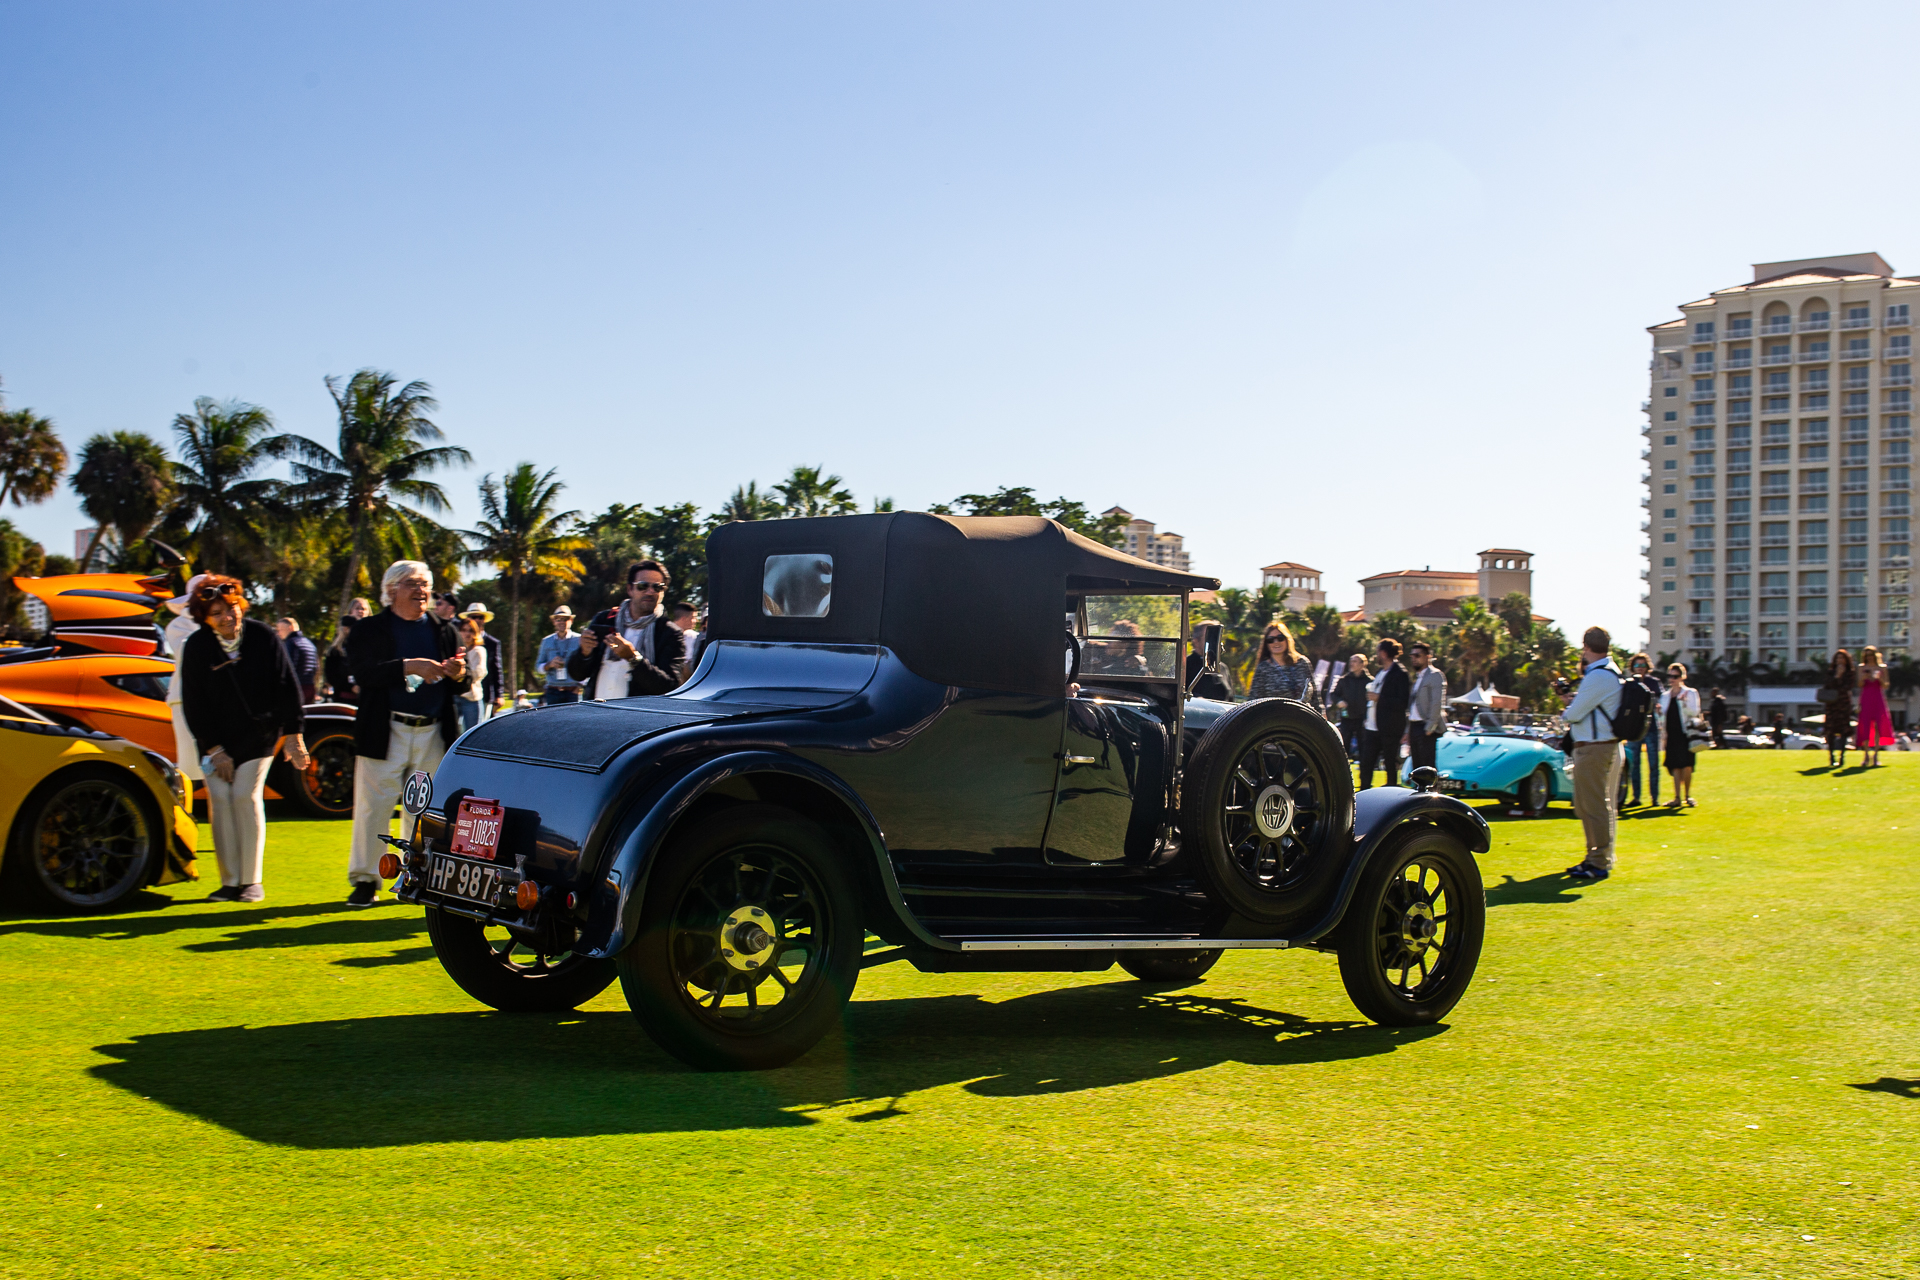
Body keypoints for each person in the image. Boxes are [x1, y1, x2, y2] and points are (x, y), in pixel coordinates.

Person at [344, 560, 470, 906]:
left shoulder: (445, 629)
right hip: (385, 729)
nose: (422, 591)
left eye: (426, 584)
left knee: (424, 810)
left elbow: (464, 684)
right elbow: (363, 673)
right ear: (391, 590)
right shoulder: (368, 629)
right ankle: (366, 880)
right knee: (374, 807)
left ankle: (418, 878)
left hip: (432, 731)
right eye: (413, 584)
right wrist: (408, 666)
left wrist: (460, 673)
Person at [178, 575, 309, 903]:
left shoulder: (263, 636)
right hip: (215, 742)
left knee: (244, 796)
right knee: (220, 800)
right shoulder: (196, 647)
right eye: (217, 612)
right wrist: (214, 749)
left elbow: (287, 686)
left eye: (232, 608)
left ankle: (251, 882)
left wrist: (294, 735)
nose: (227, 617)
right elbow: (192, 703)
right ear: (204, 618)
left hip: (259, 736)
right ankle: (229, 882)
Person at [1559, 626, 1623, 882]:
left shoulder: (1598, 675)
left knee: (1595, 806)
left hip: (1594, 747)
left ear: (1585, 647)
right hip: (1597, 745)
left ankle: (1599, 860)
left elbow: (1574, 714)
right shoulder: (1608, 672)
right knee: (1588, 805)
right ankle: (1594, 856)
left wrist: (1568, 708)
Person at [568, 560, 685, 699]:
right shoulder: (604, 619)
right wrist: (584, 653)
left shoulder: (670, 633)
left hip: (636, 717)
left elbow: (669, 686)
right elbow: (577, 674)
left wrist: (634, 658)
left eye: (657, 587)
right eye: (643, 586)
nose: (650, 592)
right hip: (596, 712)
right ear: (630, 589)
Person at [162, 573, 208, 788]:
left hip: (217, 700)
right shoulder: (178, 625)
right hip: (186, 700)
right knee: (191, 770)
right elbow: (191, 654)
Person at [1359, 638, 1410, 789]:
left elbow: (1402, 702)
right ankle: (1363, 793)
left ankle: (1391, 791)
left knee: (1389, 762)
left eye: (1378, 652)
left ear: (1384, 653)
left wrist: (1379, 698)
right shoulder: (1380, 673)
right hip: (1372, 726)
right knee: (1366, 762)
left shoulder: (1400, 673)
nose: (1376, 656)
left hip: (1389, 727)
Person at [1620, 653, 1663, 809]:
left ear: (1647, 667)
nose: (1640, 668)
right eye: (1637, 665)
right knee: (1634, 764)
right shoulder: (1629, 684)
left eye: (1643, 665)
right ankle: (1636, 797)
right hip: (1634, 729)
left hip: (1650, 728)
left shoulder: (1654, 683)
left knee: (1653, 764)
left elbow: (1660, 701)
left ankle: (1654, 798)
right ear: (1632, 667)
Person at [1658, 661, 1702, 808]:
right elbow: (1662, 716)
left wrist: (1684, 702)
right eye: (1670, 676)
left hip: (1686, 733)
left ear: (1682, 677)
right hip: (1671, 734)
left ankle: (1687, 796)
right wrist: (1658, 713)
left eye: (1675, 676)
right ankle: (1677, 797)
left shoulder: (1690, 693)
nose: (1672, 679)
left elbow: (1694, 712)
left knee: (1687, 765)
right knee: (1675, 765)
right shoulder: (1665, 696)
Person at [1248, 623, 1317, 706]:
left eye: (1280, 638)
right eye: (1270, 640)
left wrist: (1322, 714)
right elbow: (1253, 700)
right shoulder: (1263, 668)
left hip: (1303, 715)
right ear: (1266, 644)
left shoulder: (1302, 663)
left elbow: (1315, 697)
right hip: (1276, 716)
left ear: (1287, 639)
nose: (1276, 642)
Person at [1405, 640, 1447, 774]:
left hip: (1426, 727)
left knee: (1428, 766)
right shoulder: (1418, 677)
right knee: (1416, 766)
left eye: (1417, 656)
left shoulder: (1434, 675)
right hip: (1414, 725)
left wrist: (1429, 728)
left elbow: (1437, 703)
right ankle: (1420, 793)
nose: (1414, 659)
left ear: (1428, 656)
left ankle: (1433, 794)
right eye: (1412, 656)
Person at [321, 598, 370, 703]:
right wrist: (350, 687)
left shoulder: (373, 641)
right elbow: (331, 675)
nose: (360, 611)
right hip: (344, 698)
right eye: (357, 608)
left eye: (363, 609)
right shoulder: (337, 648)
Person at [1855, 645, 1896, 766]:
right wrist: (1864, 677)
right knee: (1865, 726)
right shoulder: (1861, 667)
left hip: (1878, 698)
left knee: (1879, 725)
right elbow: (1859, 684)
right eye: (1867, 655)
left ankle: (1876, 756)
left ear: (1875, 655)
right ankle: (1866, 755)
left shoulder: (1882, 667)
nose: (1869, 658)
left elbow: (1886, 685)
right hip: (1866, 697)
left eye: (1871, 655)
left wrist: (1879, 678)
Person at [535, 605, 584, 704]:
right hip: (553, 691)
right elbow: (538, 667)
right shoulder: (546, 641)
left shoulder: (579, 639)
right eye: (558, 619)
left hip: (572, 691)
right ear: (554, 622)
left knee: (573, 719)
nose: (561, 622)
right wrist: (549, 665)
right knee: (553, 719)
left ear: (571, 621)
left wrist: (580, 686)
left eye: (565, 619)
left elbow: (586, 665)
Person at [461, 602, 503, 713]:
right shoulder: (459, 641)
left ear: (484, 620)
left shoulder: (492, 643)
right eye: (473, 617)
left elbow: (496, 669)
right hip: (462, 695)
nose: (476, 620)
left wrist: (499, 695)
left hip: (485, 693)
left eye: (480, 617)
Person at [1820, 649, 1857, 768]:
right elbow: (1827, 685)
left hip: (1843, 704)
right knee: (1830, 731)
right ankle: (1831, 756)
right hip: (1831, 704)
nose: (1840, 661)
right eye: (1838, 658)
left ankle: (1842, 756)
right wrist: (1837, 676)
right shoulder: (1830, 672)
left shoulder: (1850, 673)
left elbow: (1847, 687)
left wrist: (1840, 678)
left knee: (1843, 731)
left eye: (1842, 658)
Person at [1331, 653, 1370, 760]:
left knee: (1364, 749)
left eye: (1355, 661)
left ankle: (1364, 774)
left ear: (1363, 664)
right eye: (1351, 661)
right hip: (1346, 718)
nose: (1351, 664)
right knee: (1344, 748)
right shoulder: (1344, 680)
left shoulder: (1370, 681)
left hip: (1363, 720)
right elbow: (1333, 694)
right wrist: (1339, 701)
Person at [456, 616, 490, 731]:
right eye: (464, 630)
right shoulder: (454, 650)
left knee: (472, 734)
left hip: (471, 697)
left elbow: (478, 674)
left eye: (470, 630)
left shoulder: (479, 651)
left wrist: (458, 672)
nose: (467, 633)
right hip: (454, 697)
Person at [1184, 621, 1233, 699]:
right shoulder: (1185, 666)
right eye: (1210, 638)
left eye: (1217, 638)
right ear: (1196, 641)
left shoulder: (1223, 668)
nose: (1216, 643)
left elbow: (1230, 697)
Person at [276, 616, 319, 703]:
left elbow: (289, 667)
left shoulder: (291, 643)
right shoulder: (309, 643)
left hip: (296, 688)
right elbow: (316, 667)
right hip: (310, 686)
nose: (278, 633)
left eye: (280, 629)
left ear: (290, 628)